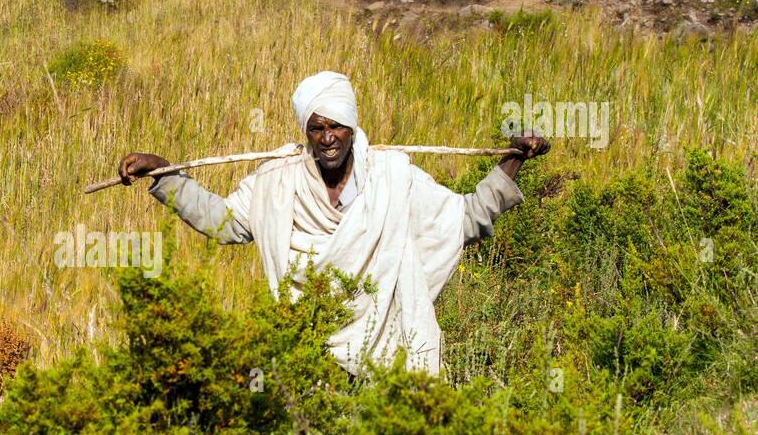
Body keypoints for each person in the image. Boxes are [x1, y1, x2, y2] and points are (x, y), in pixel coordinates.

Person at [116, 70, 550, 376]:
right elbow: (224, 222)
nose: (327, 138)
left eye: (336, 127)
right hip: (308, 353)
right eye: (317, 127)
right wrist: (165, 176)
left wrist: (512, 162)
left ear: (352, 127)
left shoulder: (392, 178)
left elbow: (467, 219)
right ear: (306, 130)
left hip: (389, 353)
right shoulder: (276, 180)